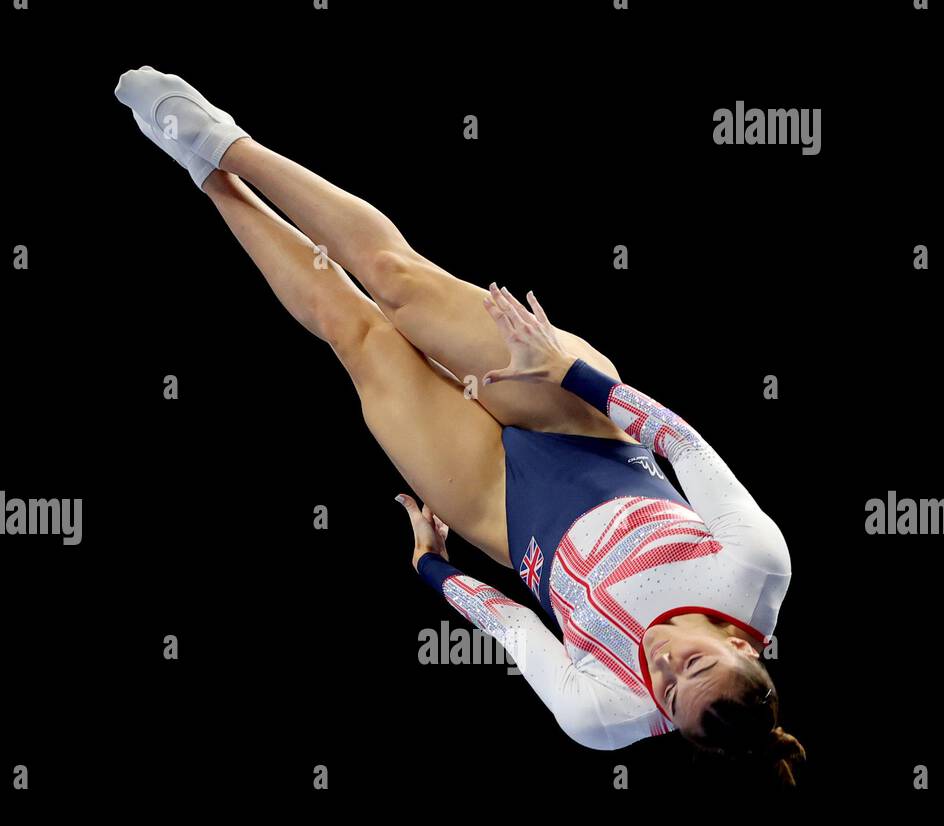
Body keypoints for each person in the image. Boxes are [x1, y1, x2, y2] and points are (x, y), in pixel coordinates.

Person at [114, 67, 805, 784]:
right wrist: (568, 371)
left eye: (666, 688)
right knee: (398, 283)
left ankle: (201, 170)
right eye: (691, 661)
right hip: (585, 422)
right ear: (746, 647)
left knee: (356, 334)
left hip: (505, 511)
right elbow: (679, 440)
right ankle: (225, 139)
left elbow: (514, 627)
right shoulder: (755, 570)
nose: (661, 658)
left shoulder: (603, 716)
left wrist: (431, 567)